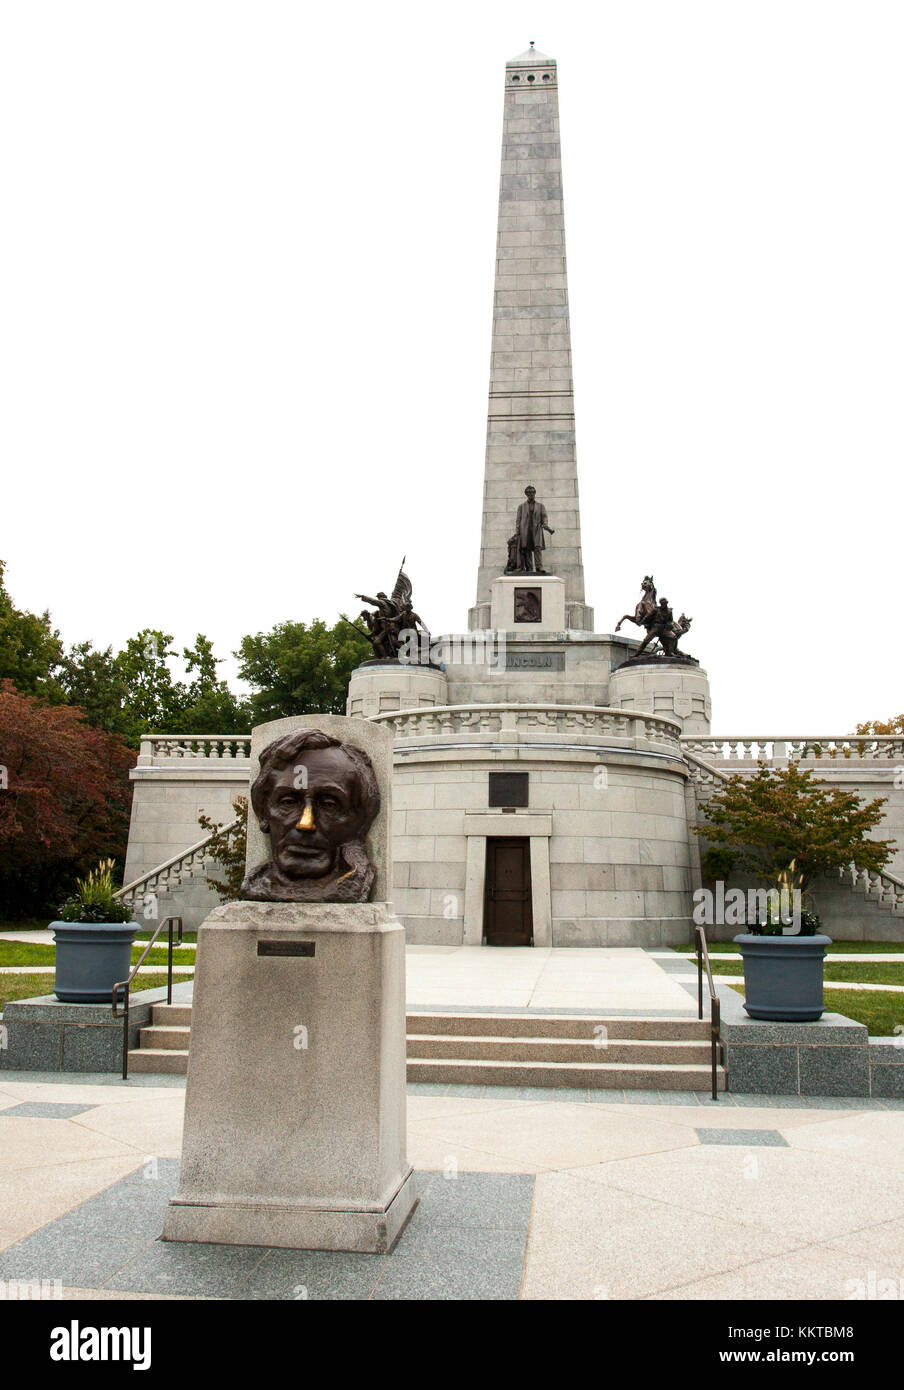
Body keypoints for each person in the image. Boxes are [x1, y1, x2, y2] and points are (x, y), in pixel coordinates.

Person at [241, 729, 380, 903]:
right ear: (263, 813)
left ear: (359, 822)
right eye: (288, 802)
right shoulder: (257, 886)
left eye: (329, 805)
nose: (306, 823)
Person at [514, 485, 555, 573]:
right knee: (527, 549)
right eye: (529, 493)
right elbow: (518, 520)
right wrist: (517, 531)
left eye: (532, 492)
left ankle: (539, 567)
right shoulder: (521, 507)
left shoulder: (540, 506)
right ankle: (529, 568)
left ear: (535, 493)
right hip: (525, 530)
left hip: (536, 530)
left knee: (537, 548)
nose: (531, 494)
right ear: (526, 494)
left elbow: (544, 517)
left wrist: (545, 524)